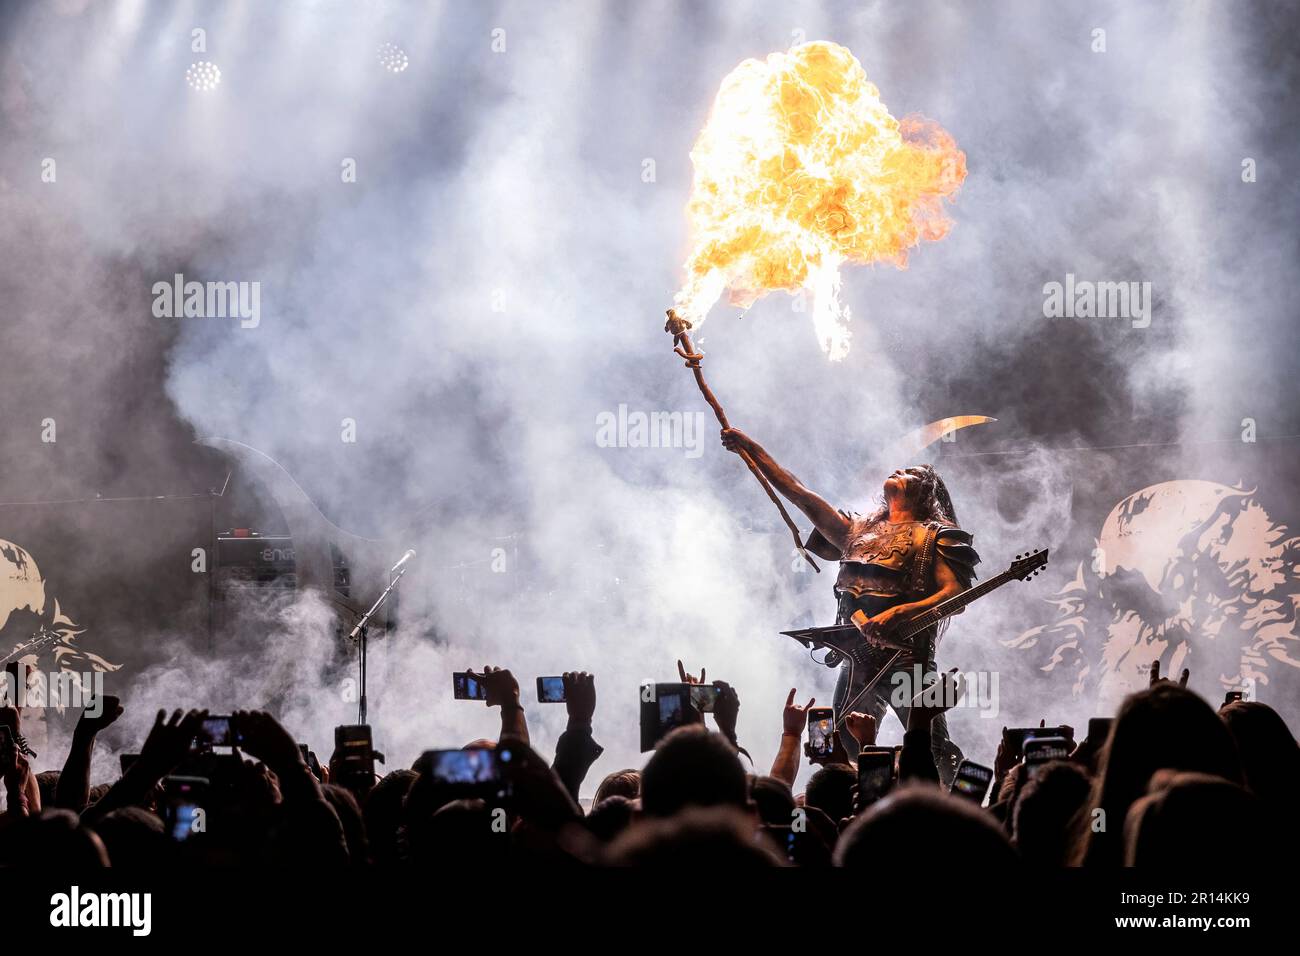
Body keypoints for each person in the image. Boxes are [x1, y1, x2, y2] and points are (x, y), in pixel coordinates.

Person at [721, 429, 979, 783]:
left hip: (910, 661)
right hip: (856, 660)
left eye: (910, 474)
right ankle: (842, 808)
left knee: (932, 750)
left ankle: (943, 814)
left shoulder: (937, 536)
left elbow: (956, 597)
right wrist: (750, 448)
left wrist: (901, 611)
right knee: (836, 746)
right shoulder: (858, 531)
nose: (898, 472)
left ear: (923, 492)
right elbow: (801, 496)